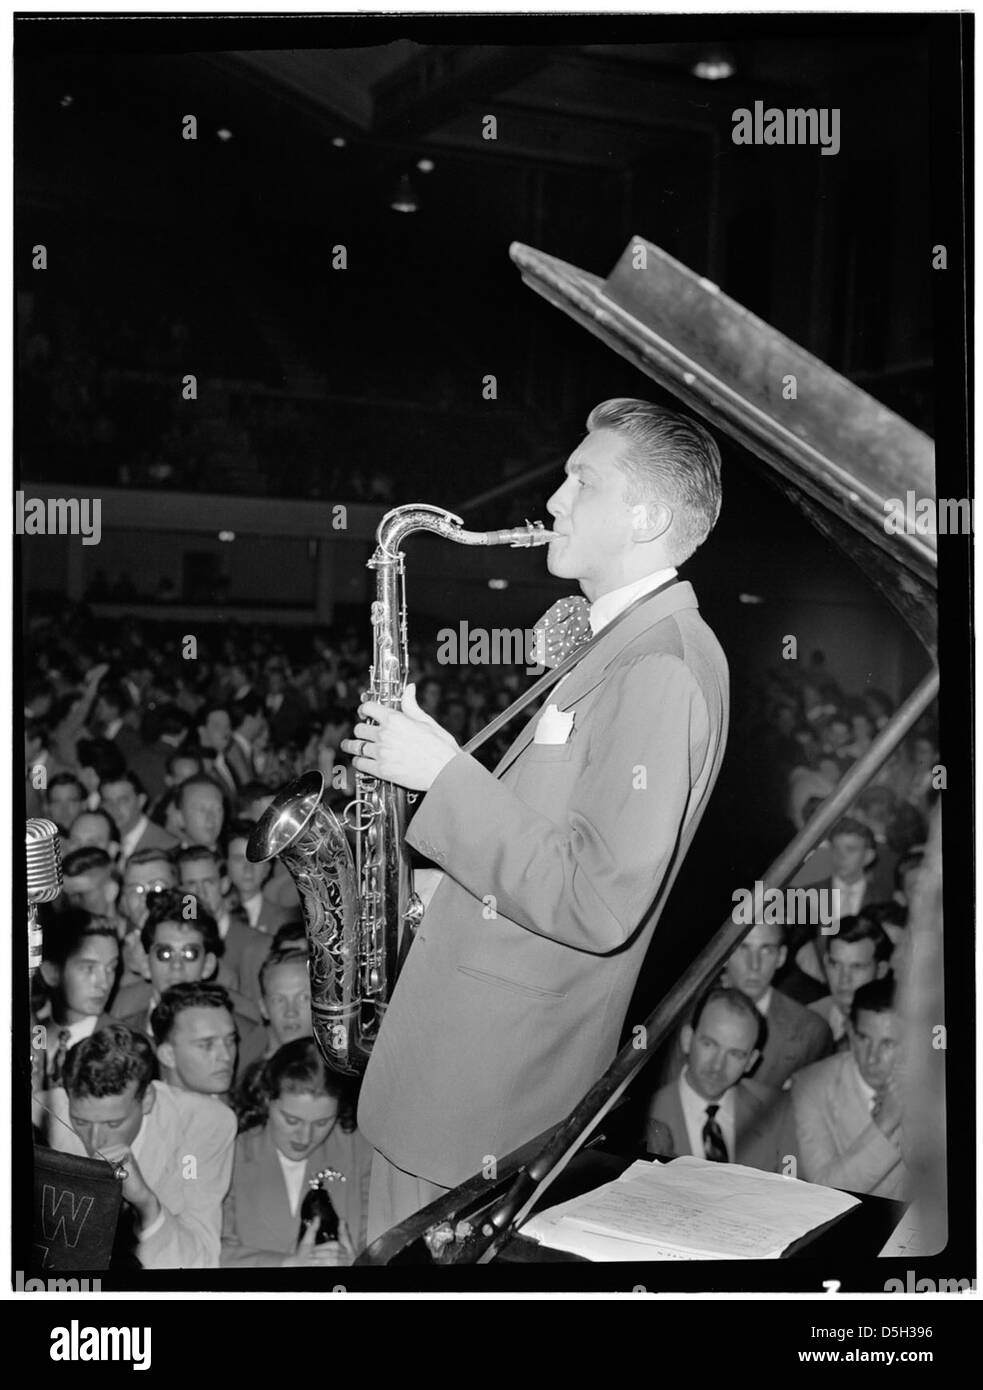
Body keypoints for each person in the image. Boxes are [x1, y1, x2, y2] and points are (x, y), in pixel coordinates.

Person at [346, 399, 730, 1237]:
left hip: (475, 1102)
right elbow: (555, 840)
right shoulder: (625, 644)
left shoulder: (663, 664)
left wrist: (442, 775)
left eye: (580, 482)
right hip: (452, 1088)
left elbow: (596, 895)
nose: (553, 501)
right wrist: (438, 890)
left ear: (648, 517)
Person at [35, 1024, 235, 1268]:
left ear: (148, 1098)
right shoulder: (38, 1116)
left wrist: (147, 1204)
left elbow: (200, 1262)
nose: (95, 1141)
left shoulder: (205, 1123)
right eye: (81, 1121)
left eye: (113, 1123)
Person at [221, 1039, 371, 1266]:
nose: (305, 1137)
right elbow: (209, 1249)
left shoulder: (359, 1148)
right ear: (265, 1100)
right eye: (292, 1120)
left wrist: (359, 1263)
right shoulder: (231, 1152)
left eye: (322, 1122)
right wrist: (285, 1264)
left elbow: (381, 1241)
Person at [657, 920, 832, 1091]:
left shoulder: (812, 1032)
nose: (754, 964)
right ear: (723, 955)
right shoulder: (682, 1015)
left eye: (766, 950)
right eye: (743, 947)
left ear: (781, 957)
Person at [645, 987, 796, 1173]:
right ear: (687, 1039)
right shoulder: (646, 1116)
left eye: (735, 1054)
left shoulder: (778, 1111)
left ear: (751, 1061)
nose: (718, 1066)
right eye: (709, 1044)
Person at [791, 976, 907, 1197]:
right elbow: (822, 1190)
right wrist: (885, 1122)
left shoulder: (936, 1087)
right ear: (850, 1033)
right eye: (864, 1039)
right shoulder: (811, 1086)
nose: (872, 1057)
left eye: (888, 1043)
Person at [177, 844, 270, 1004]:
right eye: (192, 884)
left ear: (224, 884)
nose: (200, 893)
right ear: (181, 891)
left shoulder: (255, 944)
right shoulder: (174, 944)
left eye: (208, 882)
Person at [37, 914, 120, 1087]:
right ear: (51, 973)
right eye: (88, 968)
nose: (104, 983)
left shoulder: (125, 1046)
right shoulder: (34, 1034)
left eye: (111, 968)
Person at [809, 914, 893, 1044]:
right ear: (825, 963)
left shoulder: (899, 1028)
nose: (844, 979)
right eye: (835, 964)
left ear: (881, 970)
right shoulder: (805, 1020)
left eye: (857, 967)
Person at [151, 982, 241, 1101]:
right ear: (168, 1056)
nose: (226, 1056)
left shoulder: (251, 1109)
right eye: (206, 1045)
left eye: (230, 1041)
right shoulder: (144, 1116)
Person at [237, 946, 313, 1074]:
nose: (291, 1012)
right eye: (278, 1000)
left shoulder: (347, 1070)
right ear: (263, 1008)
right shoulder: (246, 1071)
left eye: (304, 998)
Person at [224, 818, 299, 933]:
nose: (248, 869)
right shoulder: (214, 911)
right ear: (226, 865)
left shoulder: (283, 918)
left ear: (267, 867)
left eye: (255, 860)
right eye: (238, 859)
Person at [99, 770, 178, 864]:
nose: (114, 808)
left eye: (122, 800)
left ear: (141, 801)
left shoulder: (165, 847)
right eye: (107, 801)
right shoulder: (102, 839)